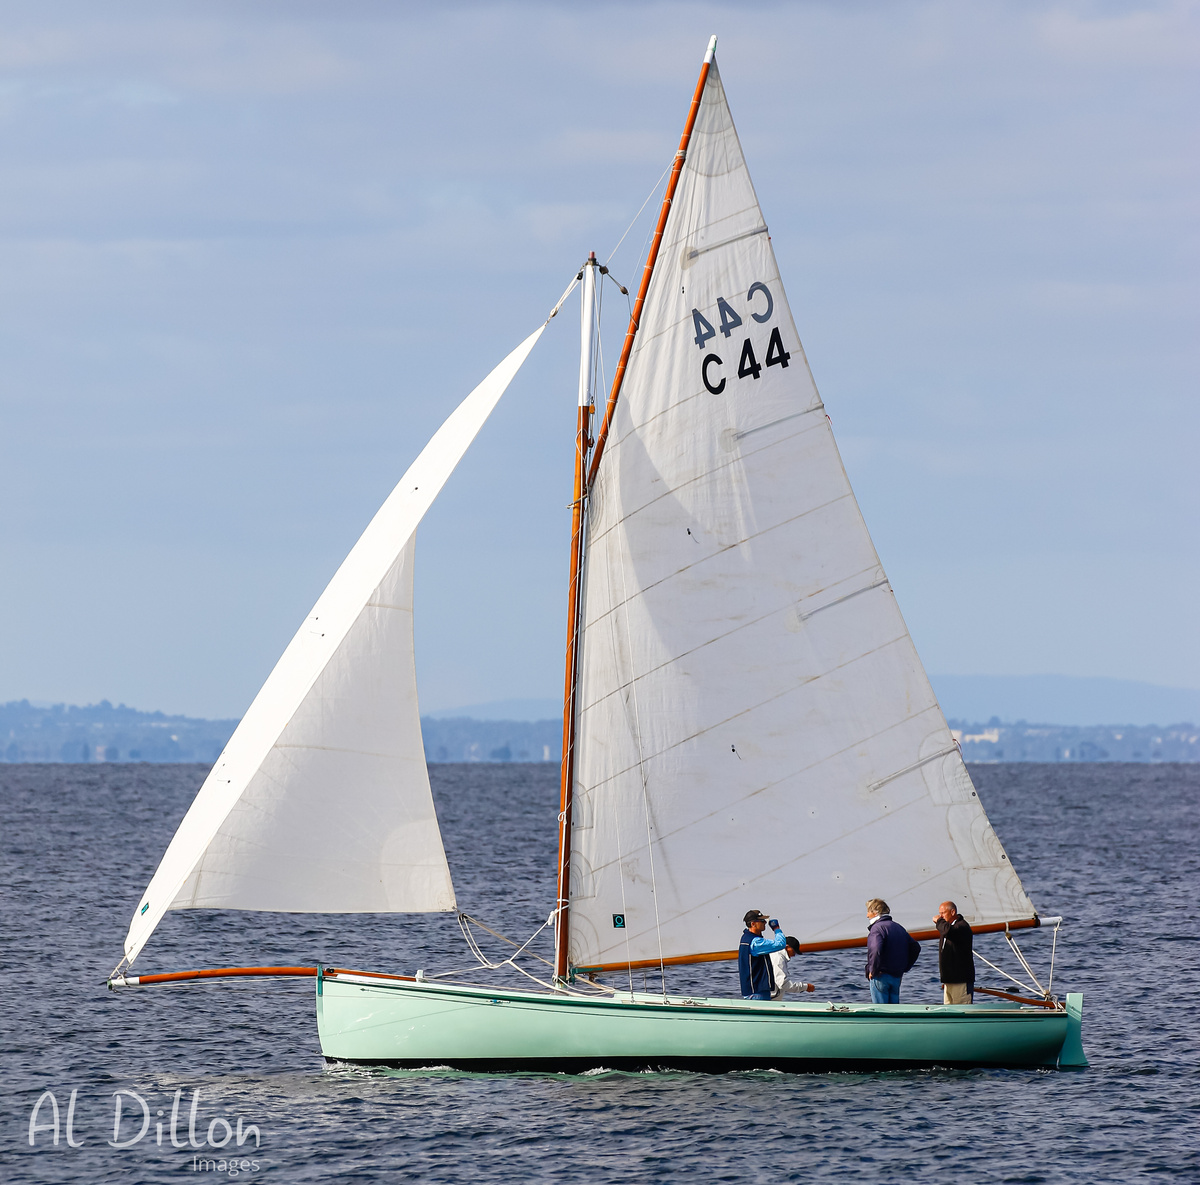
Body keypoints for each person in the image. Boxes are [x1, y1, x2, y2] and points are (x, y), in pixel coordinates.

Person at [864, 898, 920, 1003]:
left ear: (875, 913)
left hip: (881, 976)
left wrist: (873, 969)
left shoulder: (876, 929)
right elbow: (916, 948)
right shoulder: (898, 927)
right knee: (894, 1011)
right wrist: (905, 967)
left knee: (881, 1012)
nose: (867, 915)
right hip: (896, 976)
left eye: (868, 912)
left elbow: (875, 949)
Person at [738, 910, 788, 1000]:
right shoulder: (756, 942)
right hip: (757, 992)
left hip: (754, 991)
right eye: (761, 921)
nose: (765, 922)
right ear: (753, 924)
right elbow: (780, 944)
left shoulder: (746, 938)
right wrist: (776, 929)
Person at [933, 900, 975, 1004]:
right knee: (948, 1010)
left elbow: (948, 931)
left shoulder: (961, 927)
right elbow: (946, 930)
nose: (941, 916)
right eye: (940, 914)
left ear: (952, 912)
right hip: (949, 979)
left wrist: (939, 921)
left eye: (943, 913)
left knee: (962, 1010)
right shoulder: (947, 927)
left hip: (960, 980)